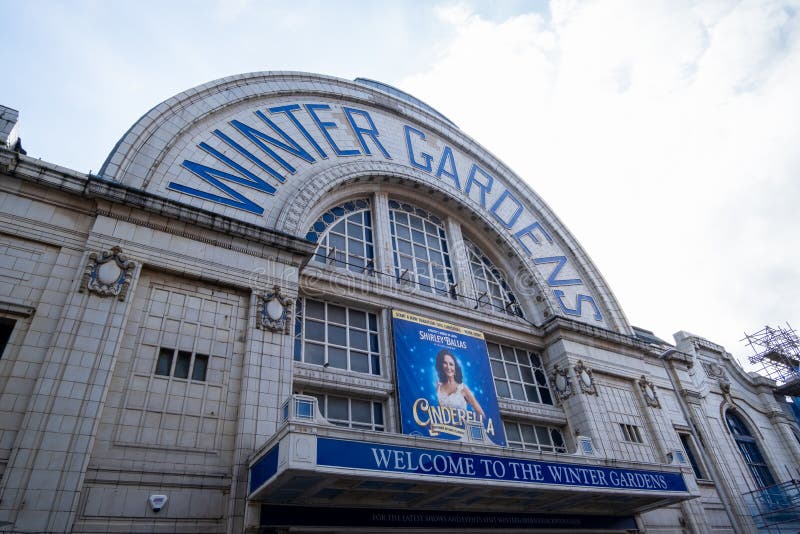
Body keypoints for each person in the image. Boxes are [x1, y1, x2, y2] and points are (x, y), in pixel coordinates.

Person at [435, 349, 485, 418]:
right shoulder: (438, 386)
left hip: (460, 427)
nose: (448, 367)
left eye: (451, 364)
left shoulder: (463, 388)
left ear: (455, 368)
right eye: (445, 363)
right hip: (443, 427)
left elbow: (481, 414)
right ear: (441, 365)